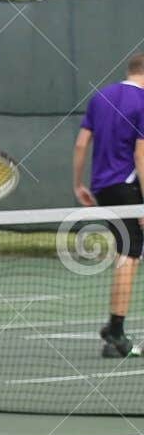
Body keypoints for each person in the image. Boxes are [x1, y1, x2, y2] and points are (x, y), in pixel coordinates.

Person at [73, 53, 144, 358]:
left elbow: (80, 143)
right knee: (130, 254)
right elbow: (141, 157)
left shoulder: (100, 97)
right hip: (128, 188)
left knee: (126, 252)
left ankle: (113, 326)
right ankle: (115, 333)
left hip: (102, 188)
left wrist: (78, 184)